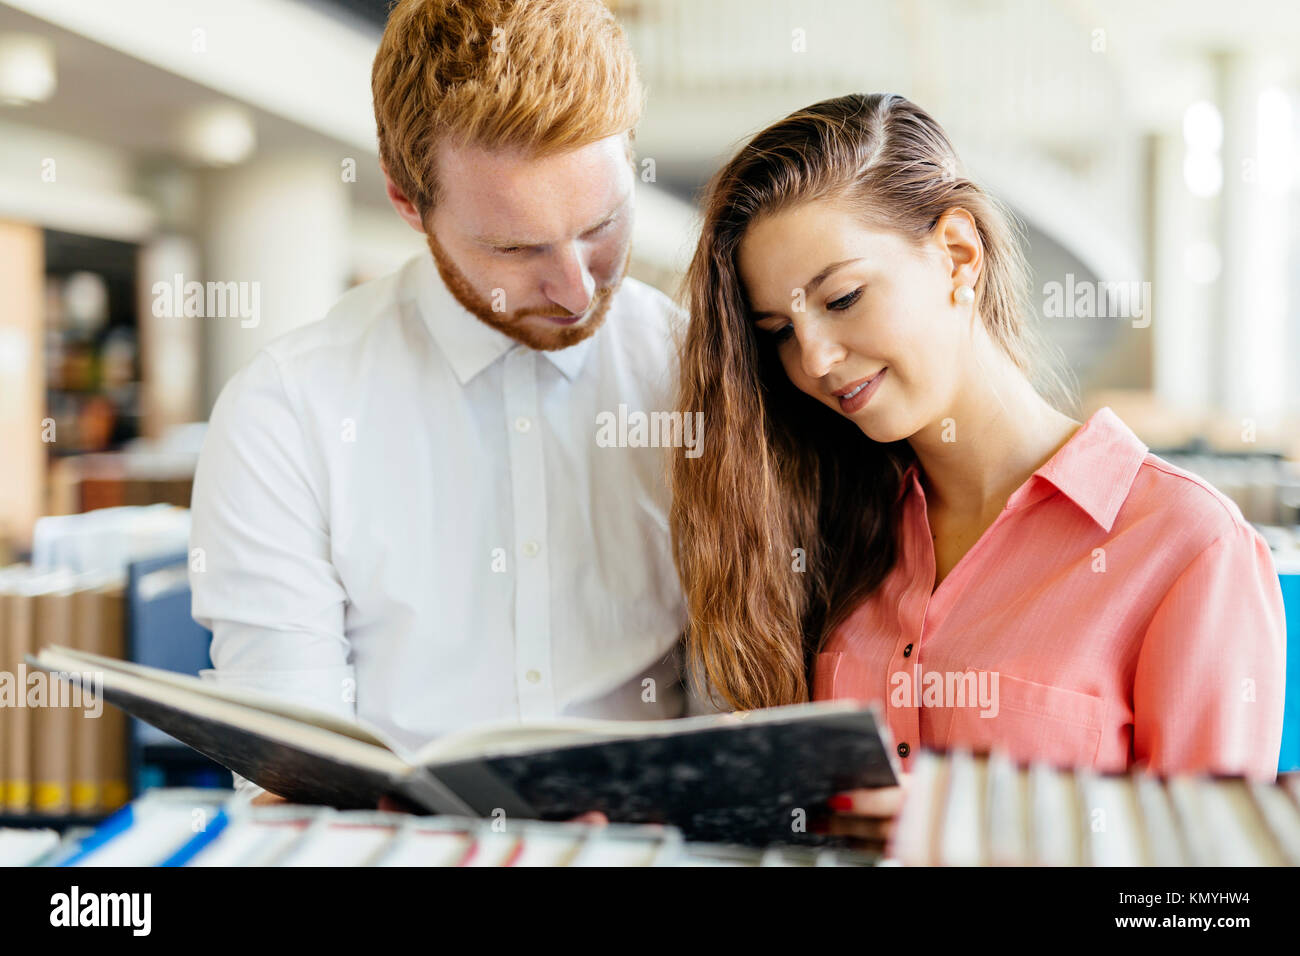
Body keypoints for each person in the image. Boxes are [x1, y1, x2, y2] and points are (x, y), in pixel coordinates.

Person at [671, 92, 1286, 850]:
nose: (816, 360)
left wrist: (986, 834)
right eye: (781, 332)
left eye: (843, 298)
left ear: (959, 255)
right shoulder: (829, 532)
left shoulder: (1188, 548)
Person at [189, 0, 712, 807]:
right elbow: (291, 778)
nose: (576, 289)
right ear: (408, 205)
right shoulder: (285, 413)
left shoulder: (700, 379)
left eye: (602, 225)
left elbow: (739, 713)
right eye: (514, 247)